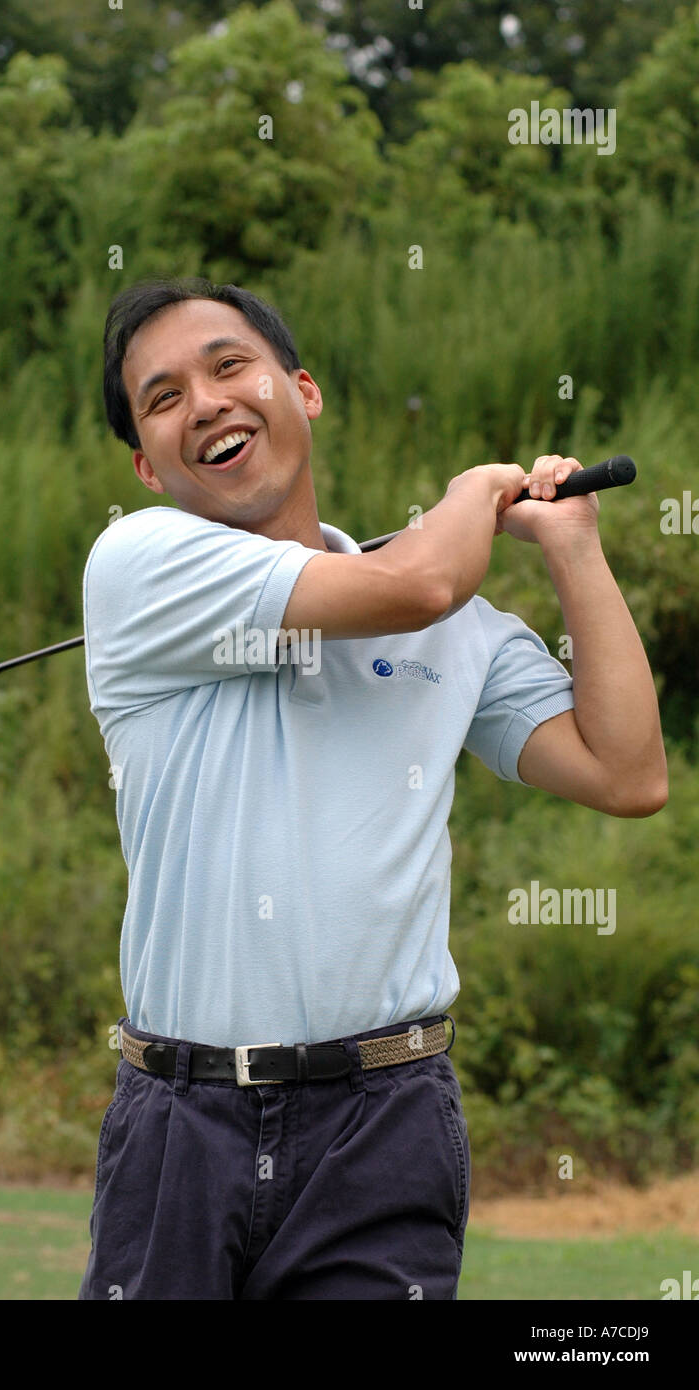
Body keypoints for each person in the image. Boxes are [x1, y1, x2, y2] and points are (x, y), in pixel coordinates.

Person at [77, 277, 667, 1301]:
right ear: (145, 462)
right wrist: (475, 493)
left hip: (382, 1123)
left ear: (301, 390)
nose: (206, 402)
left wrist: (575, 550)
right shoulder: (141, 561)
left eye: (229, 366)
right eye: (162, 397)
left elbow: (628, 772)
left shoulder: (458, 629)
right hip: (180, 1122)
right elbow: (418, 586)